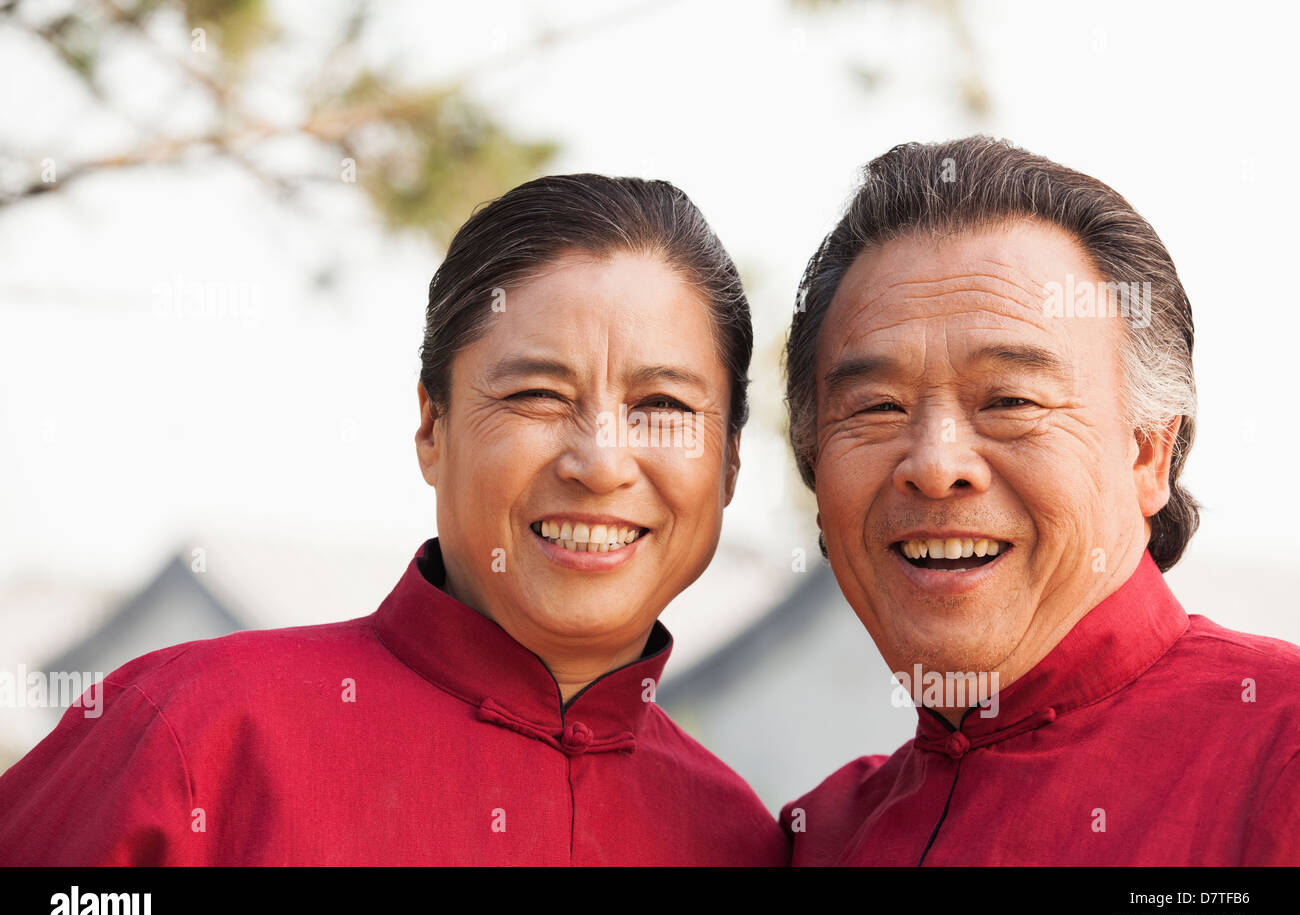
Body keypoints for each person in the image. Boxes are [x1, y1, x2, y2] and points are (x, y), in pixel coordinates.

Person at [0, 173, 788, 866]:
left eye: (662, 406)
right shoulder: (195, 735)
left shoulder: (738, 839)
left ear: (728, 462)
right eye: (537, 395)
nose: (601, 462)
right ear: (432, 428)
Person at [779, 136, 1299, 865]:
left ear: (1148, 452)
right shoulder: (819, 838)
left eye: (1011, 399)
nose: (934, 465)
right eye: (877, 407)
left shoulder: (1280, 754)